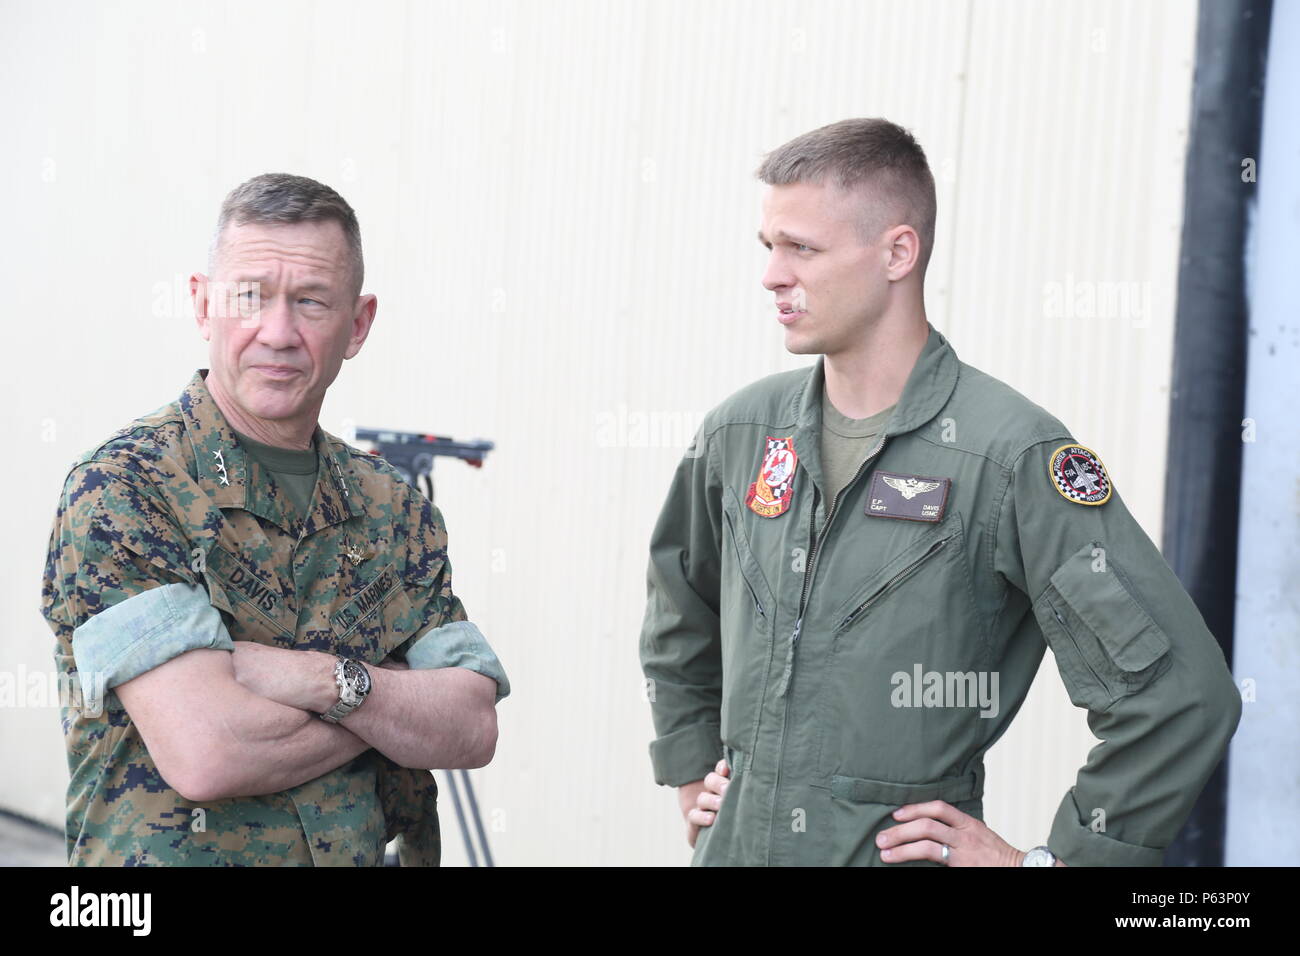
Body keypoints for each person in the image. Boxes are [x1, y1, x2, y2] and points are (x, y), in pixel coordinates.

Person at [637, 118, 1241, 866]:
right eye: (769, 248)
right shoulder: (744, 435)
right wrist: (691, 762)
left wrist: (1053, 864)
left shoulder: (1009, 456)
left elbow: (1181, 698)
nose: (772, 276)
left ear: (898, 252)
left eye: (802, 248)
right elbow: (678, 608)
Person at [39, 173, 509, 866]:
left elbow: (470, 727)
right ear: (203, 305)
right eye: (250, 296)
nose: (279, 332)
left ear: (358, 325)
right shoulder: (126, 488)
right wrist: (389, 704)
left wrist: (319, 682)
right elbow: (209, 752)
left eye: (311, 301)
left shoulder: (393, 510)